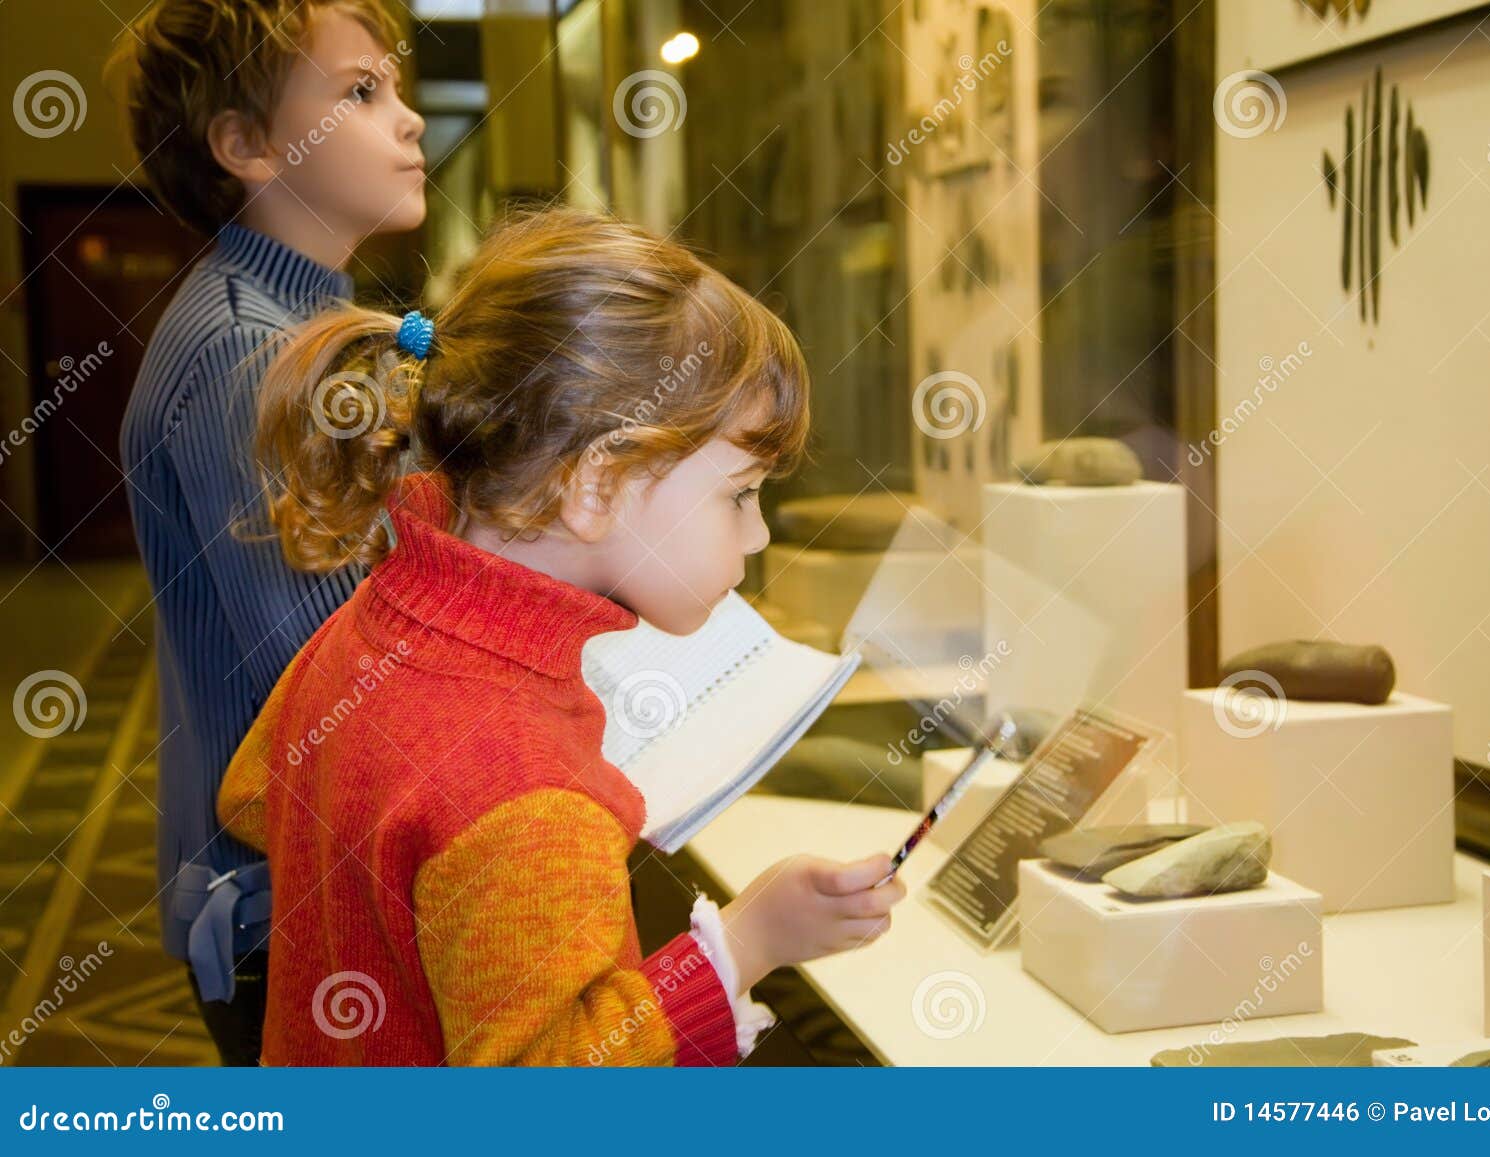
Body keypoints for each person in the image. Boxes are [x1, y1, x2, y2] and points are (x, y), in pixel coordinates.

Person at [215, 207, 907, 1065]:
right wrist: (743, 944)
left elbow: (252, 792)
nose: (758, 534)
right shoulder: (531, 791)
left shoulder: (381, 616)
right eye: (740, 493)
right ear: (596, 483)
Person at [110, 0, 426, 1064]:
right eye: (360, 92)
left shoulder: (295, 326)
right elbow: (343, 677)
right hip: (292, 911)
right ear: (246, 146)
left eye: (397, 85)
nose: (412, 119)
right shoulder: (251, 355)